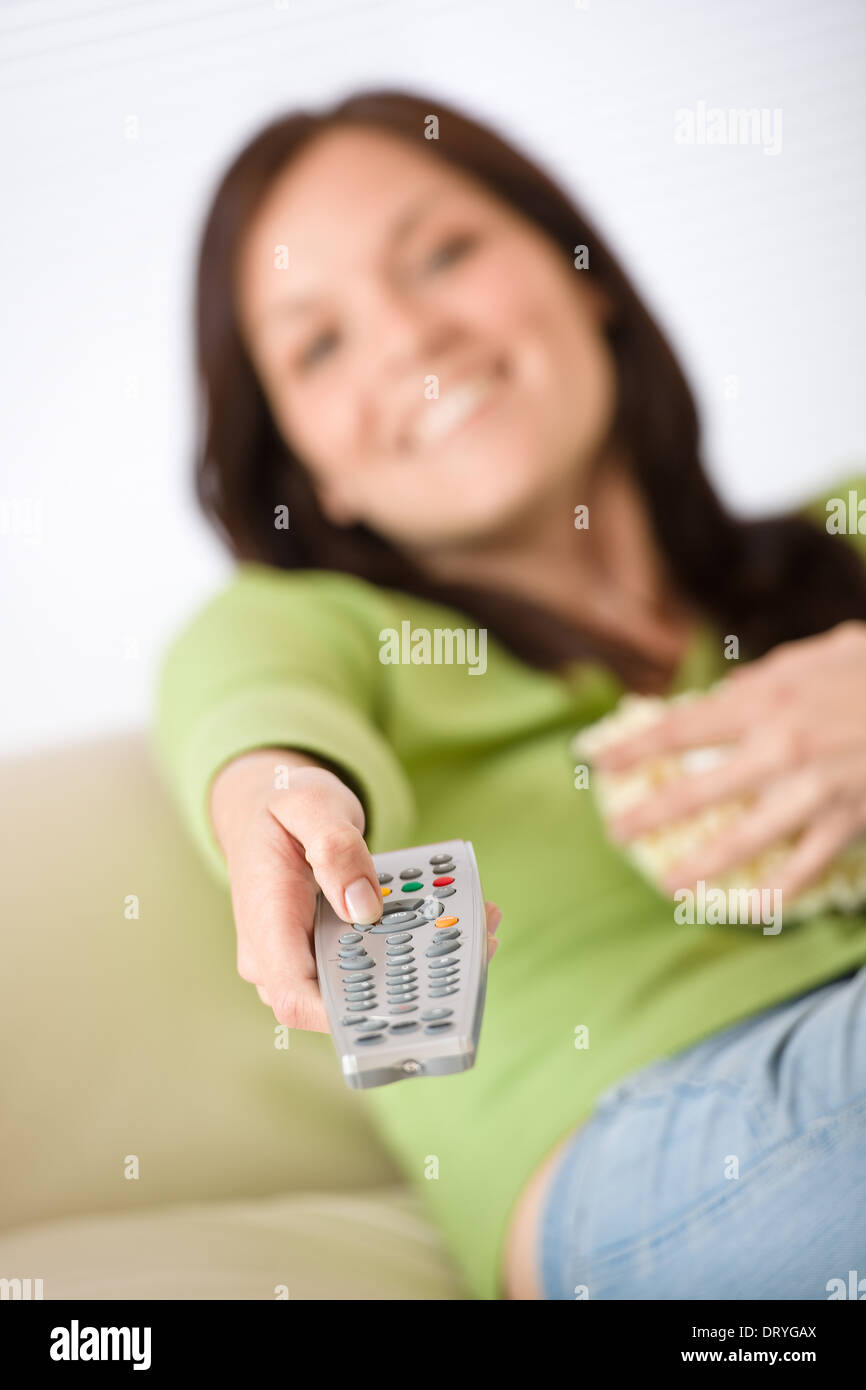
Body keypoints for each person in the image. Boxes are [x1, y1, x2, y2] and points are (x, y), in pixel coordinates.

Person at [155, 89, 866, 1300]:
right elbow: (252, 719)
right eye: (319, 344)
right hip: (653, 1149)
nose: (406, 339)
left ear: (579, 269)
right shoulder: (297, 626)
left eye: (442, 253)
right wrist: (275, 800)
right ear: (312, 470)